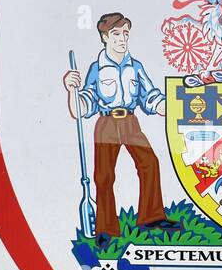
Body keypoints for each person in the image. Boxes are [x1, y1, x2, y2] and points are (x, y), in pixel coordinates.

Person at [62, 13, 180, 238]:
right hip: (106, 123)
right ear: (105, 37)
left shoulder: (135, 67)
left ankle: (151, 217)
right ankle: (106, 230)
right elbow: (82, 108)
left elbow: (151, 97)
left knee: (150, 163)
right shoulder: (97, 69)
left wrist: (172, 107)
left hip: (130, 122)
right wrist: (71, 90)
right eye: (116, 34)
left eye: (125, 33)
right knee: (104, 176)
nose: (122, 39)